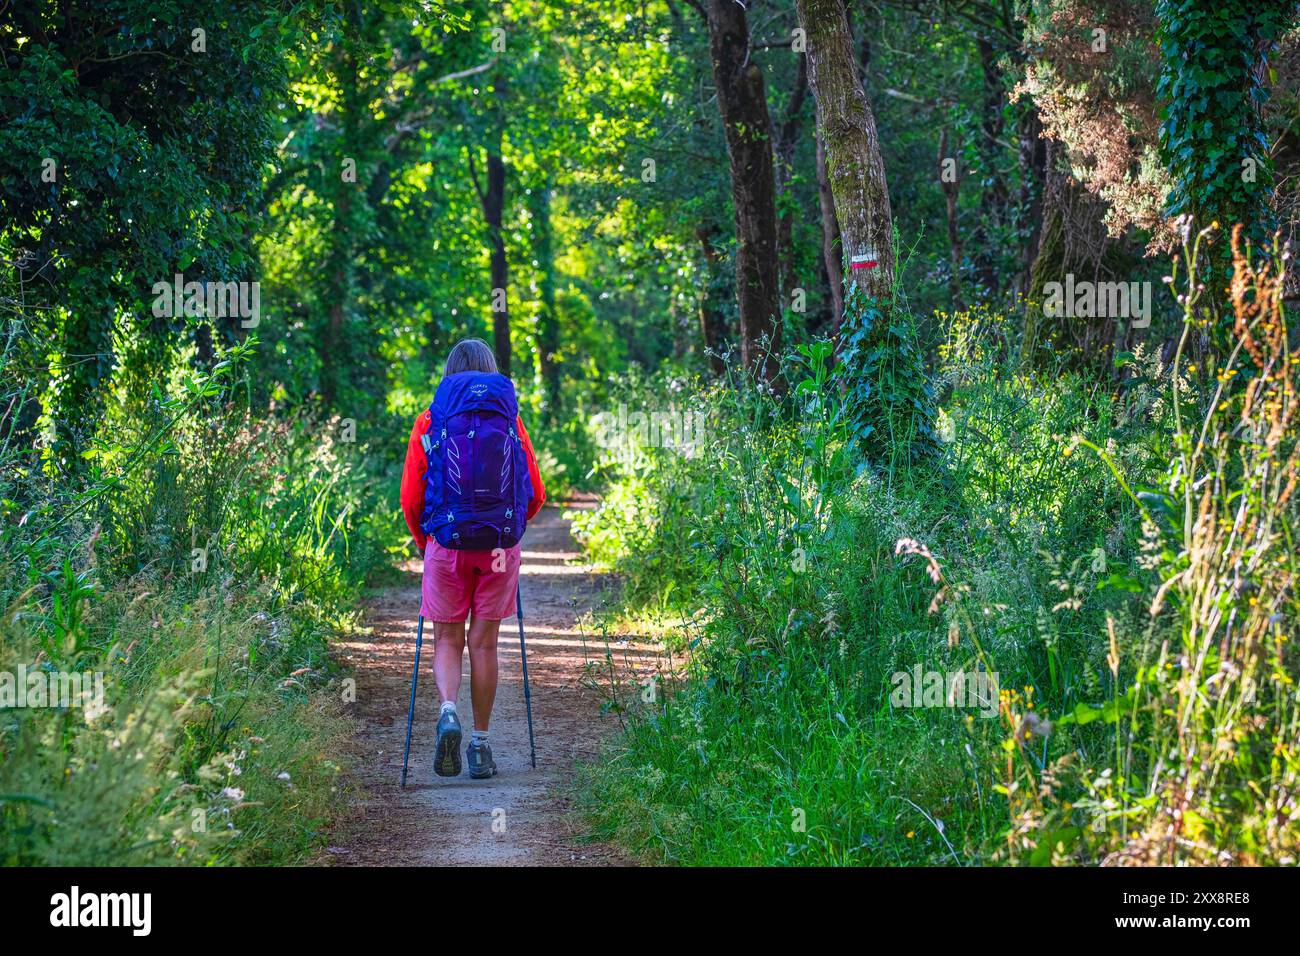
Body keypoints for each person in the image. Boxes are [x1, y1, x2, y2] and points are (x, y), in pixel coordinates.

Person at [399, 338, 545, 778]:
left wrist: (427, 543)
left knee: (447, 640)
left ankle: (448, 712)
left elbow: (412, 495)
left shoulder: (430, 420)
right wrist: (511, 531)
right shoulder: (511, 419)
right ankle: (480, 747)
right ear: (489, 368)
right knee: (483, 643)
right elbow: (534, 492)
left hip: (447, 544)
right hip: (498, 548)